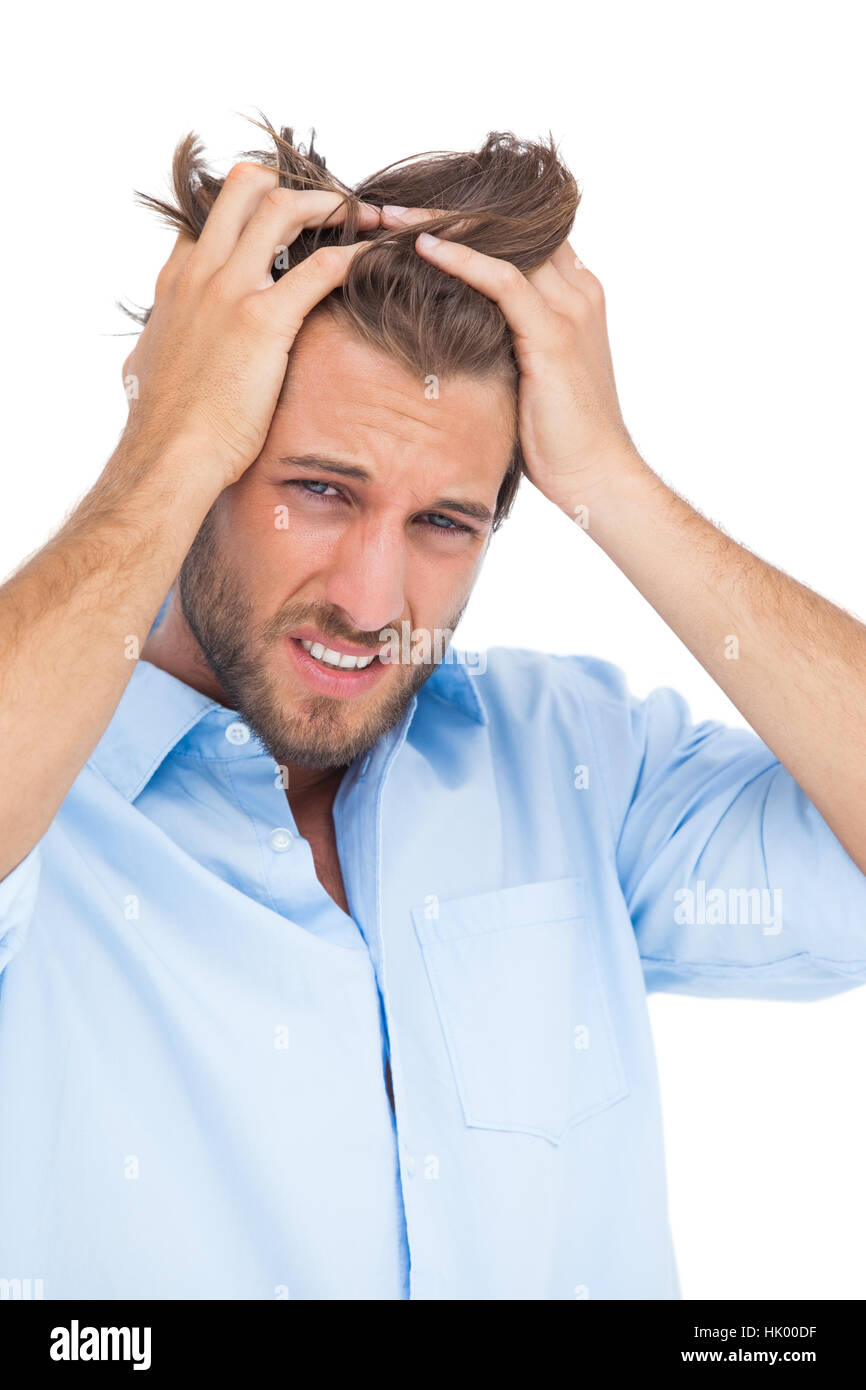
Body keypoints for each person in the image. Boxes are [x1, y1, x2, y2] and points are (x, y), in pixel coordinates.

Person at [0, 121, 864, 1301]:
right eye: (317, 490)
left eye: (443, 523)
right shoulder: (48, 815)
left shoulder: (573, 761)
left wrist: (612, 479)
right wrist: (165, 445)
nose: (370, 601)